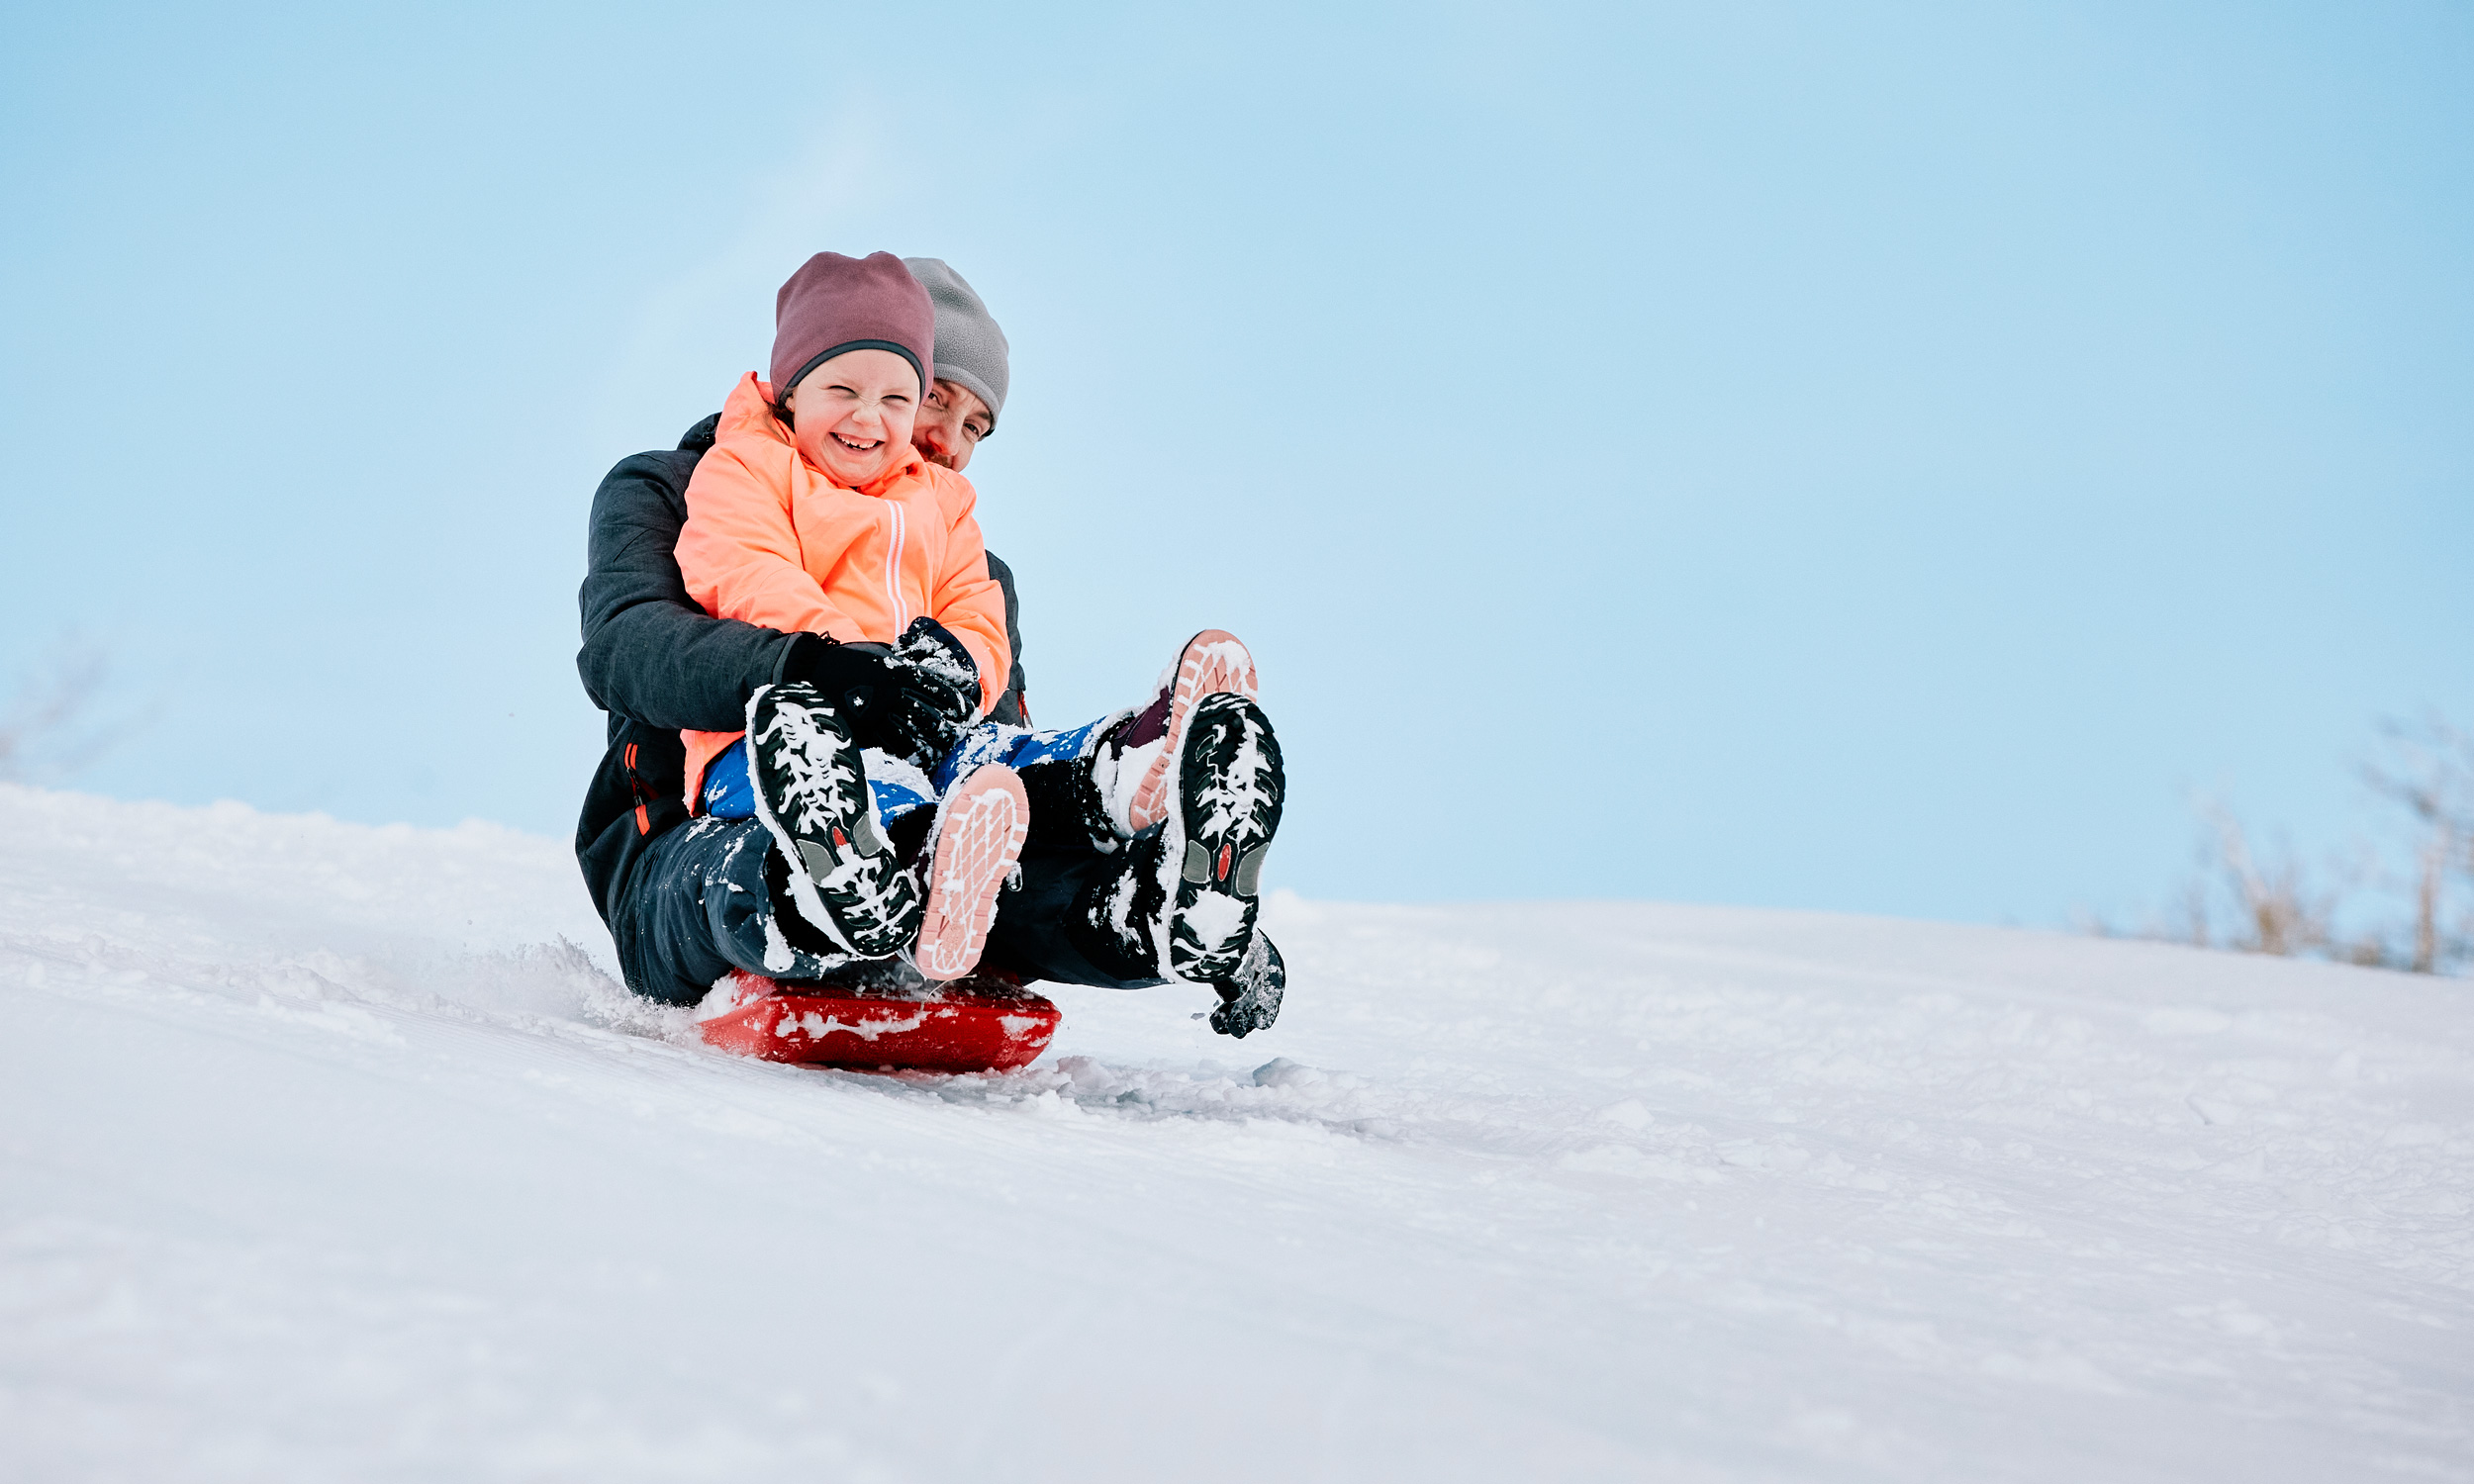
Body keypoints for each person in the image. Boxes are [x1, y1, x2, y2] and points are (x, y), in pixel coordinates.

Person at [574, 255, 1289, 1036]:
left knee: (985, 828)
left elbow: (993, 791)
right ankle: (833, 882)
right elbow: (627, 646)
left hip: (927, 868)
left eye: (974, 425)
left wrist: (1177, 903)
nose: (948, 440)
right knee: (804, 851)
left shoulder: (968, 566)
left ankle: (1150, 906)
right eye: (935, 400)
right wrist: (818, 668)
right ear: (809, 382)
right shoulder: (683, 488)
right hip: (689, 850)